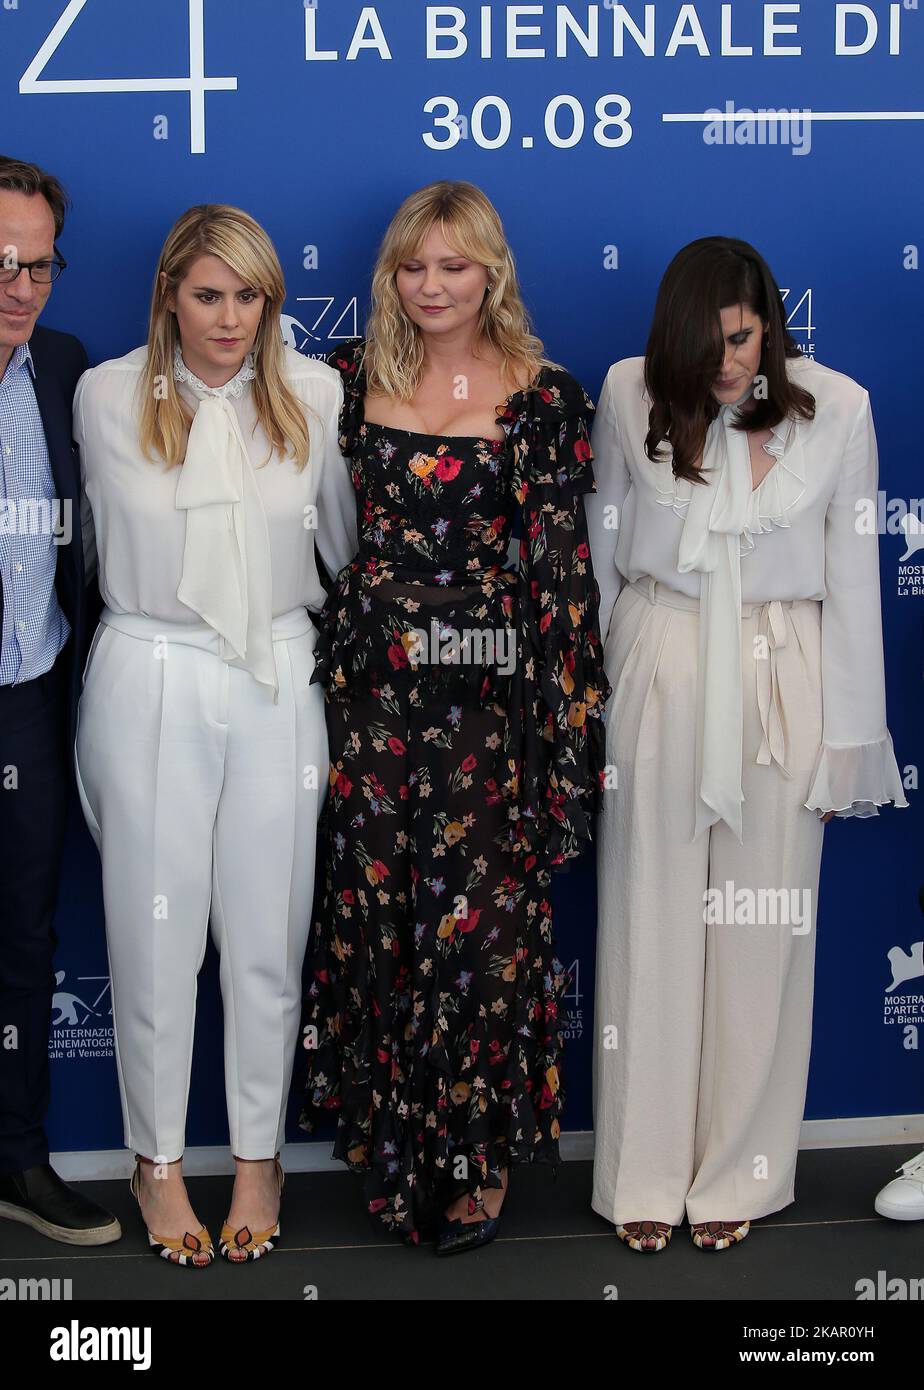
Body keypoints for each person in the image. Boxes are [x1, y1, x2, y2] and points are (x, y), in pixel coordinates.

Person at [300, 180, 609, 1253]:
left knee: (479, 936)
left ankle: (475, 1160)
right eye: (412, 266)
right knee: (381, 926)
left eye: (454, 266)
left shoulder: (542, 396)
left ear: (492, 274)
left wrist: (567, 741)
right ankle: (395, 1155)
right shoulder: (341, 382)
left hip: (486, 702)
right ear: (390, 275)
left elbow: (565, 581)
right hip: (374, 699)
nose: (431, 286)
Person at [587, 236, 907, 1254]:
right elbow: (601, 549)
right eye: (703, 344)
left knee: (765, 937)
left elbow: (853, 577)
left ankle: (740, 1170)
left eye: (739, 336)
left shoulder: (840, 407)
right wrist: (604, 698)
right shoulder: (629, 392)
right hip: (663, 659)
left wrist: (849, 741)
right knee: (650, 918)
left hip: (782, 671)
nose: (724, 361)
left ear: (769, 319)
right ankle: (642, 1167)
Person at [73, 204, 357, 1265]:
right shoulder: (104, 395)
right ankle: (155, 1164)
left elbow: (340, 543)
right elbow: (89, 536)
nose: (229, 318)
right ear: (168, 296)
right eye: (207, 294)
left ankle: (255, 1158)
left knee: (267, 933)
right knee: (153, 938)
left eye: (249, 296)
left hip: (277, 672)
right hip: (146, 668)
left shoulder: (316, 396)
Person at [0, 154, 119, 1247]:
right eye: (2, 261)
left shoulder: (65, 368)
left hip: (28, 701)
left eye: (39, 263)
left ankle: (18, 1159)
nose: (21, 284)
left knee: (25, 942)